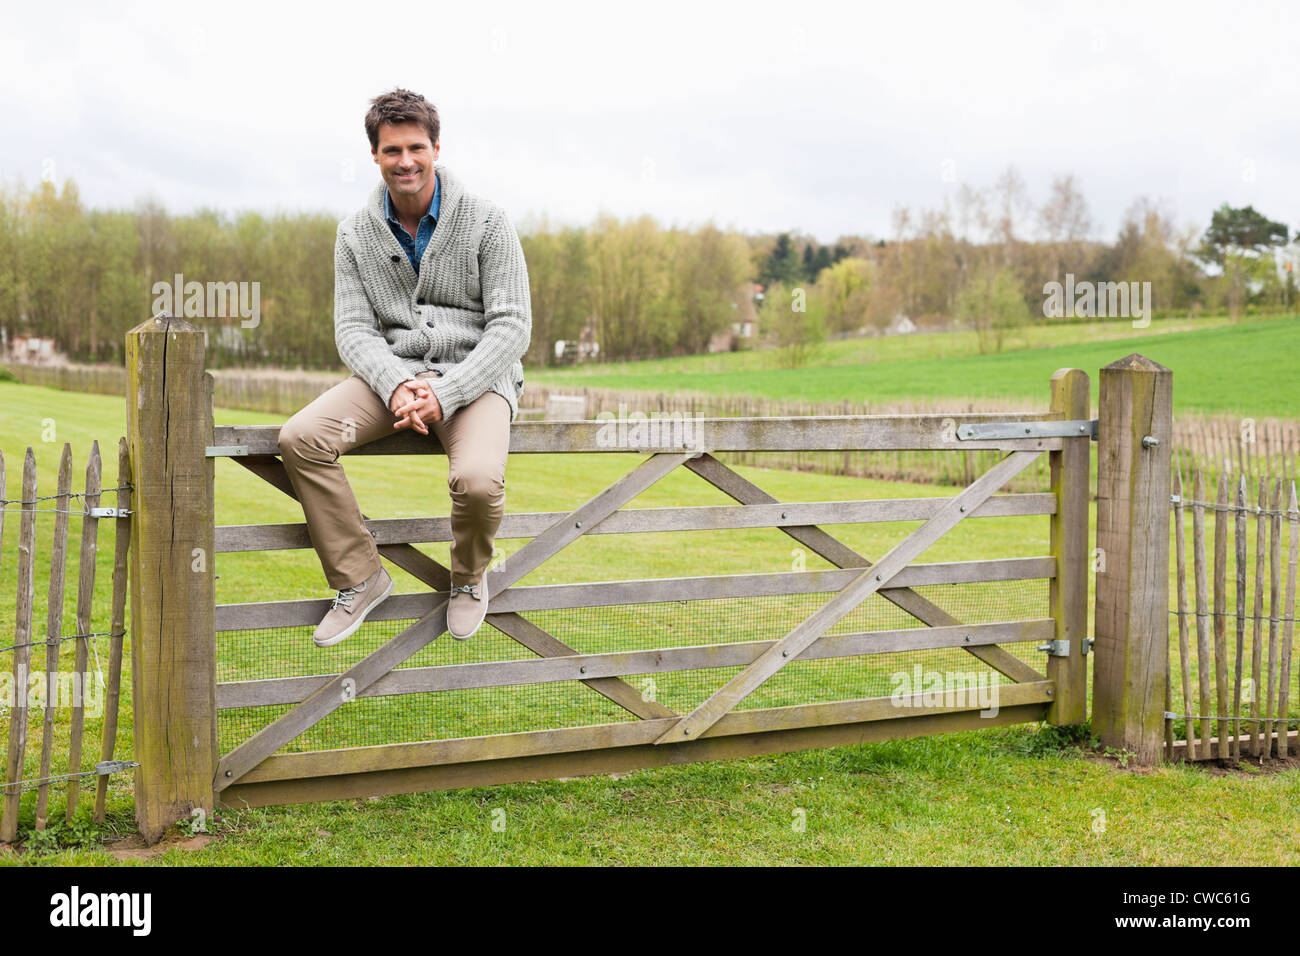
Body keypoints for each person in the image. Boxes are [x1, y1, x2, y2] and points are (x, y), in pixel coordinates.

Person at [277, 88, 530, 648]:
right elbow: (354, 330)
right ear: (375, 155)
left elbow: (512, 326)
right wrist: (395, 384)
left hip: (478, 379)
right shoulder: (354, 233)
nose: (406, 161)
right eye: (392, 150)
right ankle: (361, 578)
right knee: (302, 437)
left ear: (436, 148)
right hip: (388, 378)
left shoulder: (488, 221)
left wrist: (451, 390)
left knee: (478, 481)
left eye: (417, 147)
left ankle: (466, 579)